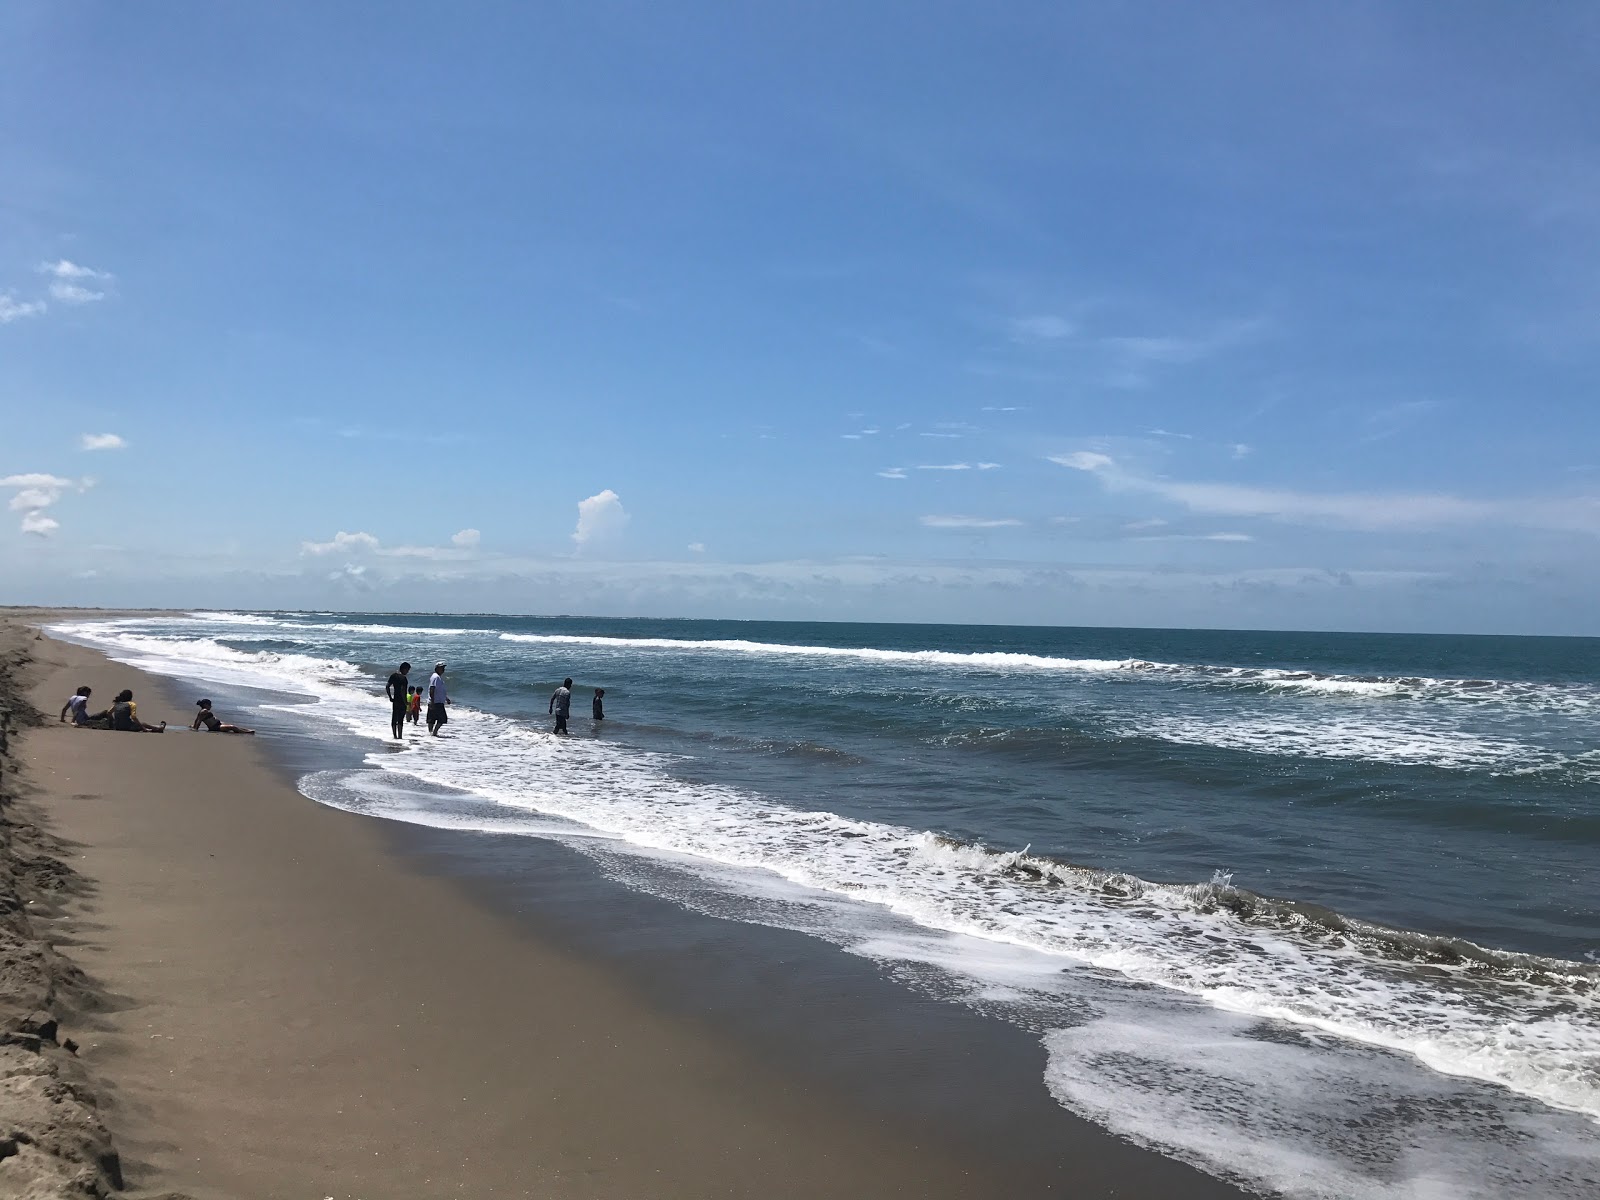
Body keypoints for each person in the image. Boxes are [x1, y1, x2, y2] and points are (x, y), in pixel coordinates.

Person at [386, 661, 411, 740]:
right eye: (407, 670)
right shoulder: (404, 679)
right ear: (404, 669)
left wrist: (390, 697)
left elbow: (387, 687)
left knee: (394, 718)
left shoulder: (393, 676)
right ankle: (400, 736)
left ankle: (395, 736)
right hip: (401, 702)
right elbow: (403, 691)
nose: (407, 672)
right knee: (400, 720)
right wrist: (405, 702)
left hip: (395, 700)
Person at [427, 662, 449, 735]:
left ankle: (432, 733)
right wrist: (432, 702)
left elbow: (440, 691)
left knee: (432, 718)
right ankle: (433, 732)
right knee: (441, 719)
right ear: (437, 668)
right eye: (441, 668)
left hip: (438, 701)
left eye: (443, 668)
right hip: (436, 702)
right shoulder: (435, 677)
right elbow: (432, 689)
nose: (443, 669)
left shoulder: (438, 678)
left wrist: (446, 698)